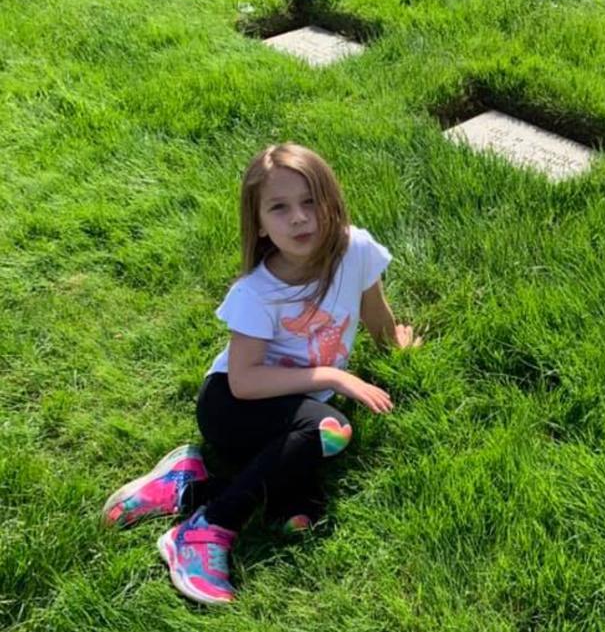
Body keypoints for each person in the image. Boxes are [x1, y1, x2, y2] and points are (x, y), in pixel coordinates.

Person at [101, 143, 421, 605]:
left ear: (332, 201)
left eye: (310, 201)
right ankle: (205, 530)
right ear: (259, 223)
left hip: (289, 407)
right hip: (232, 408)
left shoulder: (356, 250)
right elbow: (244, 382)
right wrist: (335, 377)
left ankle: (188, 484)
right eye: (279, 208)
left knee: (300, 514)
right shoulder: (256, 292)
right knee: (330, 429)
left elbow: (374, 311)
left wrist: (396, 347)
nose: (300, 218)